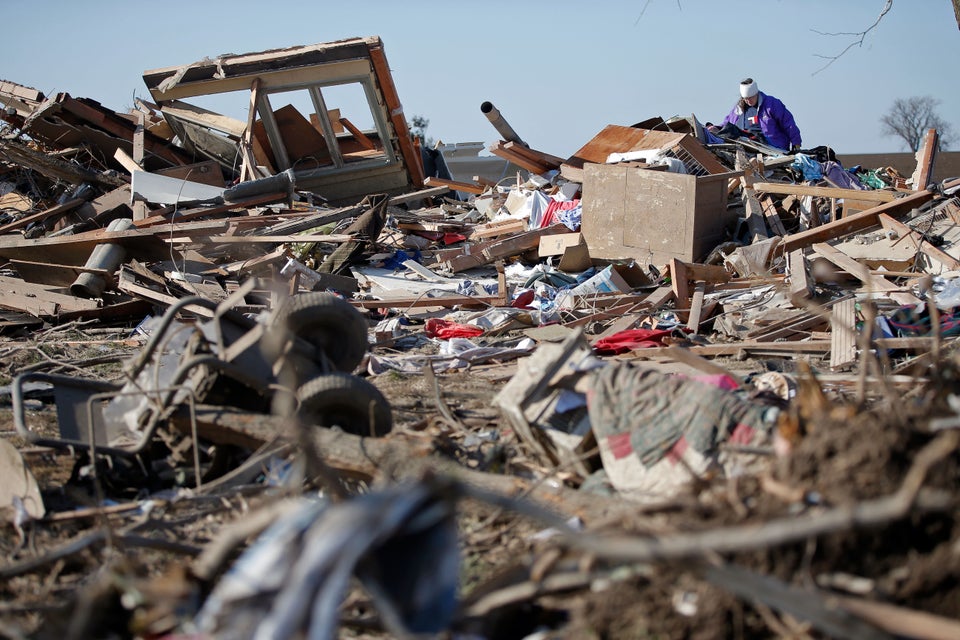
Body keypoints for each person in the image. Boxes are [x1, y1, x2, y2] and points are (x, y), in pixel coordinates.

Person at [708, 78, 802, 152]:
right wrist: (717, 128)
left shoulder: (771, 104)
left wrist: (796, 143)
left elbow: (788, 123)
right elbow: (727, 123)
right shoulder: (739, 109)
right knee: (731, 131)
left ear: (756, 93)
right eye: (745, 98)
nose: (748, 101)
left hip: (771, 144)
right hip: (746, 143)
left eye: (751, 97)